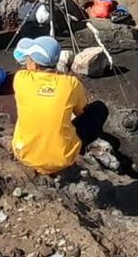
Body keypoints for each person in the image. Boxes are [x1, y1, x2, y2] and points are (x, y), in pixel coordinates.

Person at [10, 35, 109, 175]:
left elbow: (20, 61)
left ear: (34, 64)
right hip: (63, 159)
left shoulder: (20, 79)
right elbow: (82, 112)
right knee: (98, 109)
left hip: (24, 153)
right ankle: (75, 148)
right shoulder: (71, 84)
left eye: (28, 59)